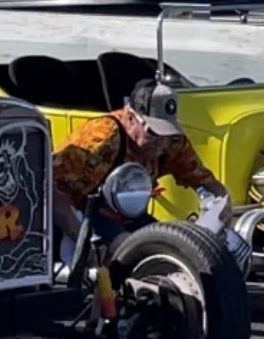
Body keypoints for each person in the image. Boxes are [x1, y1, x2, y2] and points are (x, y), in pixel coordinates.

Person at [49, 79, 233, 261]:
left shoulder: (171, 142)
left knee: (173, 249)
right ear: (131, 118)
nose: (161, 143)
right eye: (153, 132)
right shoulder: (99, 140)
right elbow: (47, 187)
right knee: (131, 250)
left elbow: (206, 182)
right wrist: (79, 236)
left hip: (129, 213)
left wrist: (221, 206)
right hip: (82, 214)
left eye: (167, 133)